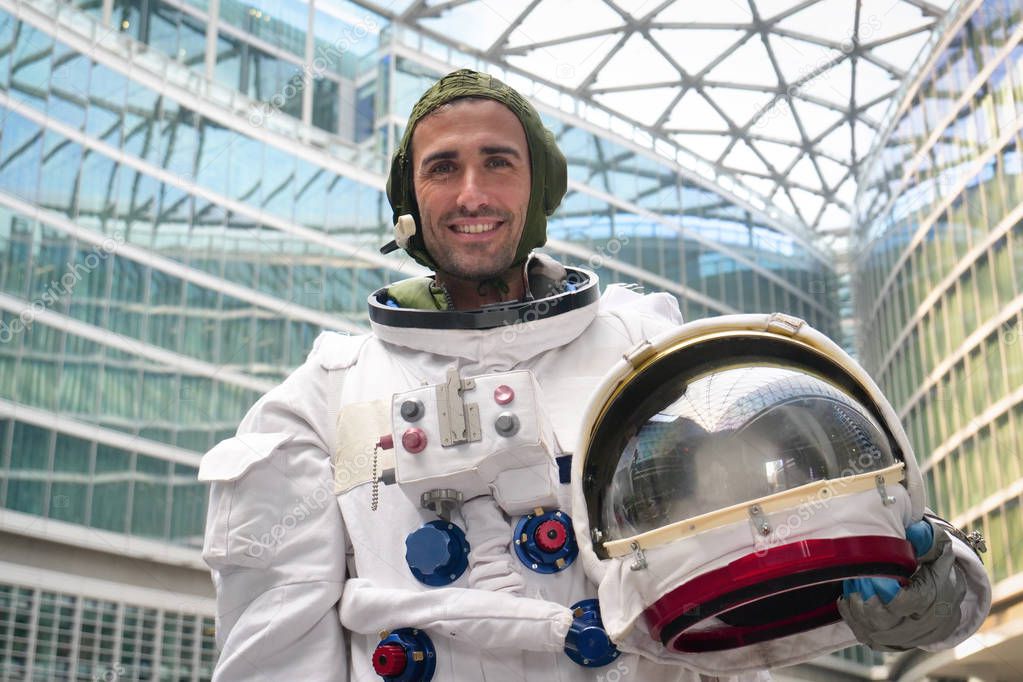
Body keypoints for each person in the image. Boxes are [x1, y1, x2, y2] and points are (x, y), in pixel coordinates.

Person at [199, 69, 990, 681]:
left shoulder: (646, 348)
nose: (470, 194)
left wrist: (919, 594)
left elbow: (793, 544)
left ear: (537, 188)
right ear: (409, 198)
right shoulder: (324, 396)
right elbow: (276, 651)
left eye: (497, 163)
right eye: (442, 169)